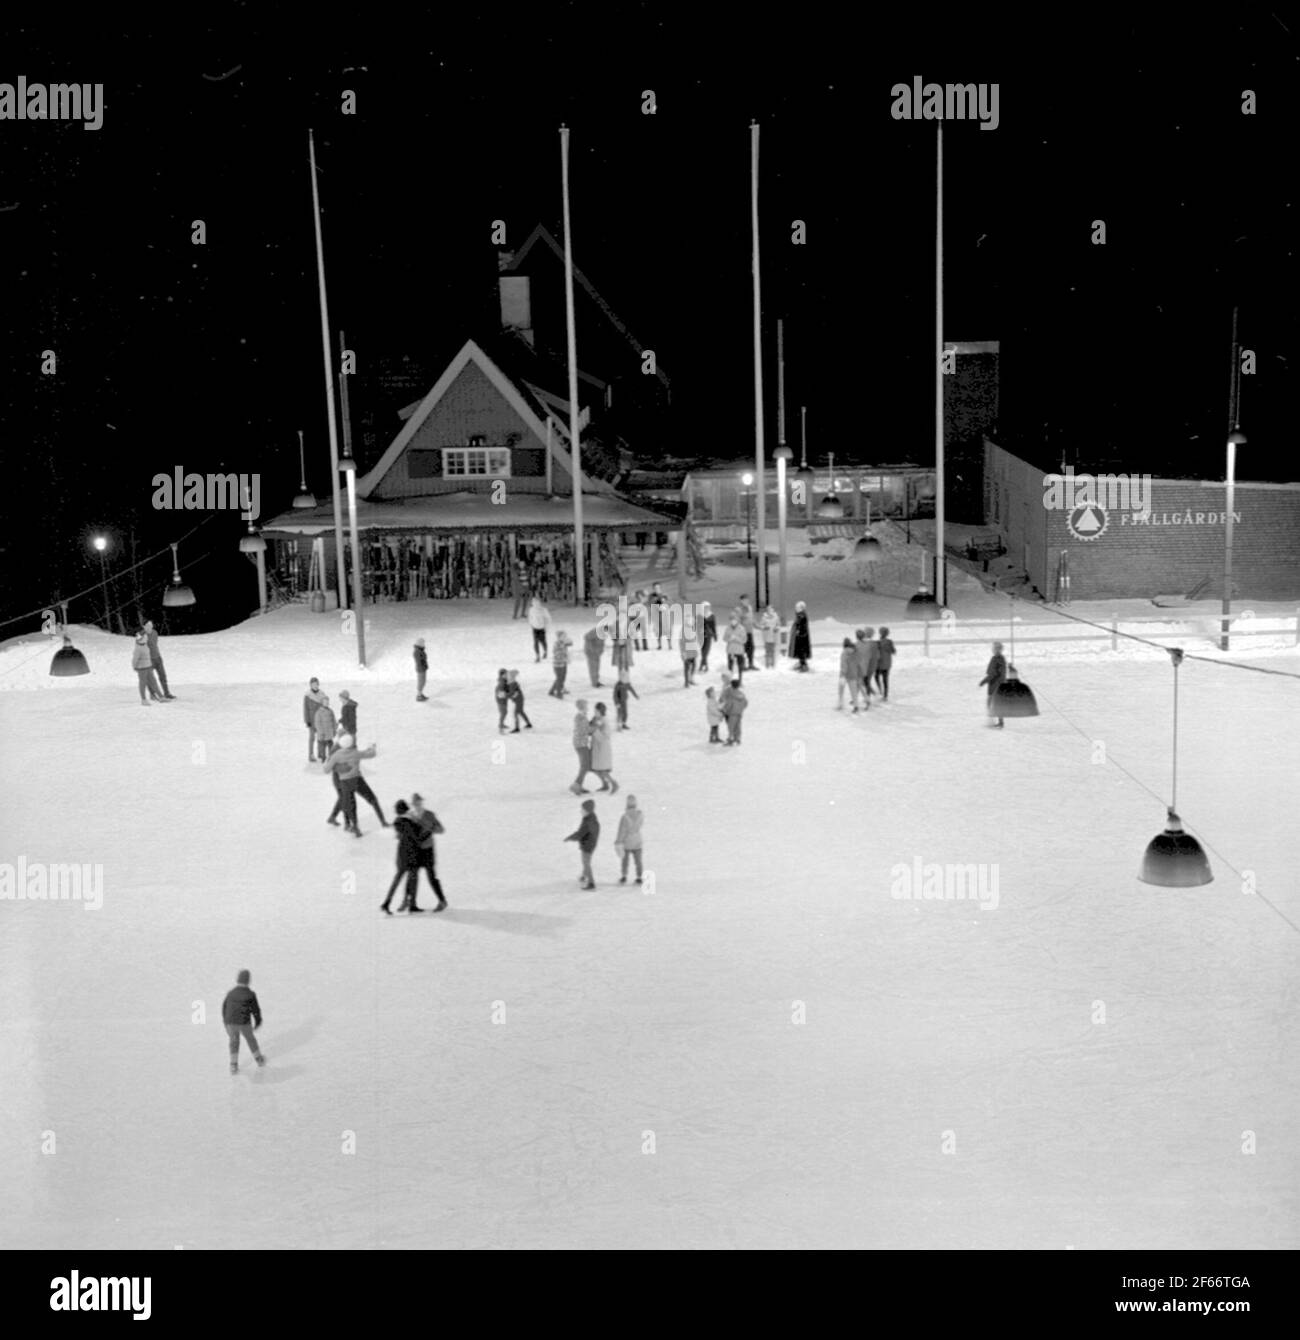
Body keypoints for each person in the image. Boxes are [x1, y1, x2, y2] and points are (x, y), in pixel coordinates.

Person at [322, 733, 377, 834]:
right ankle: (347, 823)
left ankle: (340, 820)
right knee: (345, 800)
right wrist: (343, 768)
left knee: (344, 799)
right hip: (339, 778)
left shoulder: (344, 747)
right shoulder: (336, 749)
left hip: (343, 777)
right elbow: (331, 764)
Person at [381, 799, 424, 914]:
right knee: (413, 877)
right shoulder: (410, 821)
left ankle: (387, 902)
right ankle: (412, 904)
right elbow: (417, 835)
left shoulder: (398, 821)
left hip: (401, 852)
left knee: (398, 877)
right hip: (412, 852)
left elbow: (400, 835)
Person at [409, 793, 448, 911]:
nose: (418, 805)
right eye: (416, 803)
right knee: (413, 876)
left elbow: (441, 829)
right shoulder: (410, 816)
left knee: (431, 877)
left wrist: (430, 829)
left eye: (420, 802)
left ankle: (442, 900)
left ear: (422, 803)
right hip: (415, 850)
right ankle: (412, 904)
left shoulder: (430, 815)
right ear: (413, 804)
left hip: (428, 850)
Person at [222, 969, 265, 1074]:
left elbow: (224, 1008)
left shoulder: (230, 993)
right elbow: (255, 1010)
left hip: (230, 1022)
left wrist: (226, 1023)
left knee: (234, 1042)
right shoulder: (250, 994)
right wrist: (258, 1021)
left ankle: (233, 1065)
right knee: (250, 1039)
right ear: (248, 981)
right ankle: (258, 1059)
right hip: (244, 1022)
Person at [564, 798, 600, 889]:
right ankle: (584, 876)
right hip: (592, 844)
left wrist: (570, 837)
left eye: (583, 810)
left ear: (588, 811)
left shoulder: (587, 822)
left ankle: (591, 883)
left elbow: (580, 834)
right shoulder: (592, 818)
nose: (581, 811)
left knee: (586, 863)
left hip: (587, 845)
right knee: (586, 862)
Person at [615, 793, 645, 884]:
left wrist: (618, 841)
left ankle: (624, 876)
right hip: (637, 840)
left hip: (627, 841)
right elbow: (640, 825)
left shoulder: (624, 817)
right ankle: (639, 876)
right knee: (638, 861)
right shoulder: (641, 815)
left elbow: (622, 831)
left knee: (625, 860)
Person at [589, 701, 618, 792]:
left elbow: (604, 737)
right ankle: (605, 784)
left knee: (603, 770)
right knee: (595, 769)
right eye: (594, 711)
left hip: (603, 749)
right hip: (596, 748)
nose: (595, 713)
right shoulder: (596, 719)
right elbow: (590, 728)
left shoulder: (604, 721)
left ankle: (614, 783)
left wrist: (594, 731)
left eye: (596, 711)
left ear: (601, 711)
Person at [980, 641, 1008, 728]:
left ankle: (997, 722)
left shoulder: (997, 659)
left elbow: (993, 674)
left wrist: (983, 681)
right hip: (997, 684)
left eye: (994, 648)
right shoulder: (1001, 658)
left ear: (998, 649)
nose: (992, 649)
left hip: (996, 685)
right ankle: (999, 722)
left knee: (992, 703)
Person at [143, 620, 174, 699]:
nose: (150, 627)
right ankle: (152, 694)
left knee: (163, 676)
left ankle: (167, 693)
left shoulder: (155, 633)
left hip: (158, 658)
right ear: (144, 626)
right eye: (148, 625)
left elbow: (154, 645)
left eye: (151, 625)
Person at [131, 632, 164, 705]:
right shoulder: (138, 649)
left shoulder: (145, 646)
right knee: (143, 683)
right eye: (145, 637)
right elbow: (134, 660)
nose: (147, 639)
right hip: (142, 668)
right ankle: (143, 700)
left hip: (148, 666)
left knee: (153, 682)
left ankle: (161, 697)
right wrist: (134, 667)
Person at [570, 699, 593, 795]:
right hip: (581, 744)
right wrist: (597, 726)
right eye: (586, 705)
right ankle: (576, 785)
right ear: (582, 706)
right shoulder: (581, 717)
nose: (587, 707)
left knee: (585, 765)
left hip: (580, 743)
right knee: (585, 765)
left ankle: (579, 784)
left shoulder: (582, 716)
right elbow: (586, 730)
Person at [302, 678, 327, 761]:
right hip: (312, 720)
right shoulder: (307, 695)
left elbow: (325, 707)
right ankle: (311, 755)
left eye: (316, 684)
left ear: (318, 684)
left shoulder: (322, 694)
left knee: (321, 737)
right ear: (310, 685)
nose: (315, 686)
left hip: (320, 720)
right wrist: (307, 720)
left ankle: (321, 753)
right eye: (313, 684)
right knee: (312, 738)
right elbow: (305, 709)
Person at [855, 628, 878, 709]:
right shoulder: (869, 644)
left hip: (863, 667)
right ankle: (870, 697)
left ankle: (868, 699)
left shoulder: (859, 645)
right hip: (868, 666)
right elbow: (873, 656)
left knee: (864, 683)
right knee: (865, 683)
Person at [722, 678, 748, 745]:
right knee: (738, 726)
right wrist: (741, 709)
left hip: (732, 714)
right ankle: (738, 738)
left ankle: (731, 739)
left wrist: (725, 710)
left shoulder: (731, 696)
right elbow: (745, 703)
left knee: (731, 726)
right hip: (739, 713)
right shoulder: (742, 694)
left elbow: (729, 705)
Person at [838, 638, 860, 712]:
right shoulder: (855, 652)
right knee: (853, 691)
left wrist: (843, 674)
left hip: (844, 675)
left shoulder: (844, 653)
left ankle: (840, 704)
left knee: (841, 690)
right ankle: (856, 706)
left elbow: (844, 665)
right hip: (853, 673)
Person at [527, 595, 551, 661]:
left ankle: (545, 651)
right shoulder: (531, 609)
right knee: (536, 642)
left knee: (543, 641)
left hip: (542, 628)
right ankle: (537, 655)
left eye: (537, 602)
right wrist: (531, 624)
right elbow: (530, 617)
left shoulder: (543, 610)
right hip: (535, 628)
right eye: (534, 602)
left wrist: (546, 627)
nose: (535, 604)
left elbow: (548, 619)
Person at [313, 695, 337, 763]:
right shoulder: (319, 712)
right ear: (322, 703)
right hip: (322, 734)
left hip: (329, 733)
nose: (327, 703)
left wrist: (334, 730)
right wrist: (321, 732)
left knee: (331, 746)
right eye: (325, 702)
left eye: (327, 702)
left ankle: (331, 758)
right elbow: (317, 724)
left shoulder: (331, 711)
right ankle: (323, 758)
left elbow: (334, 721)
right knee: (322, 747)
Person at [790, 600, 812, 671]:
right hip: (800, 636)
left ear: (801, 608)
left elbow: (800, 626)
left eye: (797, 607)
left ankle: (803, 665)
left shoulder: (801, 616)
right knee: (800, 651)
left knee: (802, 651)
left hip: (802, 637)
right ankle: (801, 663)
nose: (796, 608)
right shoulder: (800, 615)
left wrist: (799, 632)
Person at [550, 629, 572, 698]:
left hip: (564, 663)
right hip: (558, 664)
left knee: (562, 678)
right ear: (559, 637)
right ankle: (558, 693)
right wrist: (564, 656)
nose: (565, 637)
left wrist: (566, 658)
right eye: (563, 636)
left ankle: (551, 691)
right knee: (559, 679)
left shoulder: (563, 642)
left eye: (565, 636)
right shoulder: (557, 644)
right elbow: (557, 653)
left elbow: (571, 643)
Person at [724, 617, 747, 683]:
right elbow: (724, 638)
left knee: (740, 666)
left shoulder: (741, 628)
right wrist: (729, 639)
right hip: (730, 650)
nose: (732, 621)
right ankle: (729, 681)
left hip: (739, 651)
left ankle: (740, 681)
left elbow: (744, 640)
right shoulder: (728, 628)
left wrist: (736, 638)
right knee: (730, 667)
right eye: (731, 620)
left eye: (734, 620)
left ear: (737, 621)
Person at [647, 581, 669, 649]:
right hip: (656, 615)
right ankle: (659, 645)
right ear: (653, 588)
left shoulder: (664, 594)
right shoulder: (651, 596)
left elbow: (668, 602)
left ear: (660, 587)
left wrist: (664, 603)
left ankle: (670, 645)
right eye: (655, 588)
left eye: (658, 587)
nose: (657, 589)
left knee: (667, 629)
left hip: (664, 615)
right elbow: (649, 603)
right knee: (657, 630)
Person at [679, 614, 700, 687]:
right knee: (687, 667)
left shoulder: (693, 628)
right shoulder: (683, 630)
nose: (689, 621)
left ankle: (691, 679)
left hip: (693, 650)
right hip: (687, 651)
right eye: (687, 619)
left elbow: (695, 639)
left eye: (690, 619)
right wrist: (683, 652)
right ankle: (686, 682)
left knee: (694, 665)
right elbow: (681, 642)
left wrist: (697, 649)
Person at [875, 627, 895, 700]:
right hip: (887, 664)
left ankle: (880, 690)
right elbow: (893, 651)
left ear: (880, 633)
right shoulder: (890, 642)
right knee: (885, 679)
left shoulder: (877, 642)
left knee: (876, 677)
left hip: (879, 664)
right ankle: (885, 695)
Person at [737, 595, 756, 669]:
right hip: (743, 633)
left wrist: (758, 626)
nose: (747, 601)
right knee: (743, 649)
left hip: (750, 632)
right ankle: (742, 665)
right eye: (745, 600)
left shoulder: (750, 608)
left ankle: (751, 664)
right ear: (741, 601)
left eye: (747, 600)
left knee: (751, 648)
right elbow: (737, 621)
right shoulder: (739, 610)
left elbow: (752, 619)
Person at [699, 601, 717, 671]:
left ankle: (703, 665)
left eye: (708, 607)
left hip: (709, 635)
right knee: (702, 651)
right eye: (705, 607)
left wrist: (715, 635)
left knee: (706, 651)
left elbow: (713, 626)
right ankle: (704, 664)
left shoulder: (711, 615)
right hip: (701, 636)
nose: (706, 608)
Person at [494, 668, 511, 733]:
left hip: (503, 699)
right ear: (502, 675)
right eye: (505, 674)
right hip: (501, 700)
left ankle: (501, 724)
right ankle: (500, 726)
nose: (507, 675)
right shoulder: (502, 682)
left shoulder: (504, 680)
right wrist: (509, 694)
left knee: (504, 712)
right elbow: (500, 693)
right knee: (503, 712)